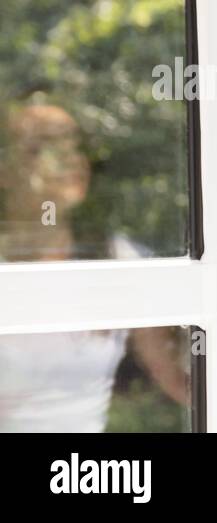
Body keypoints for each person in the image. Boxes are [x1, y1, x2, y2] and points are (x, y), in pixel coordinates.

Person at [0, 103, 188, 432]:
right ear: (4, 168)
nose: (68, 158)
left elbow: (182, 384)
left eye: (74, 145)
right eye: (43, 145)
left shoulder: (115, 258)